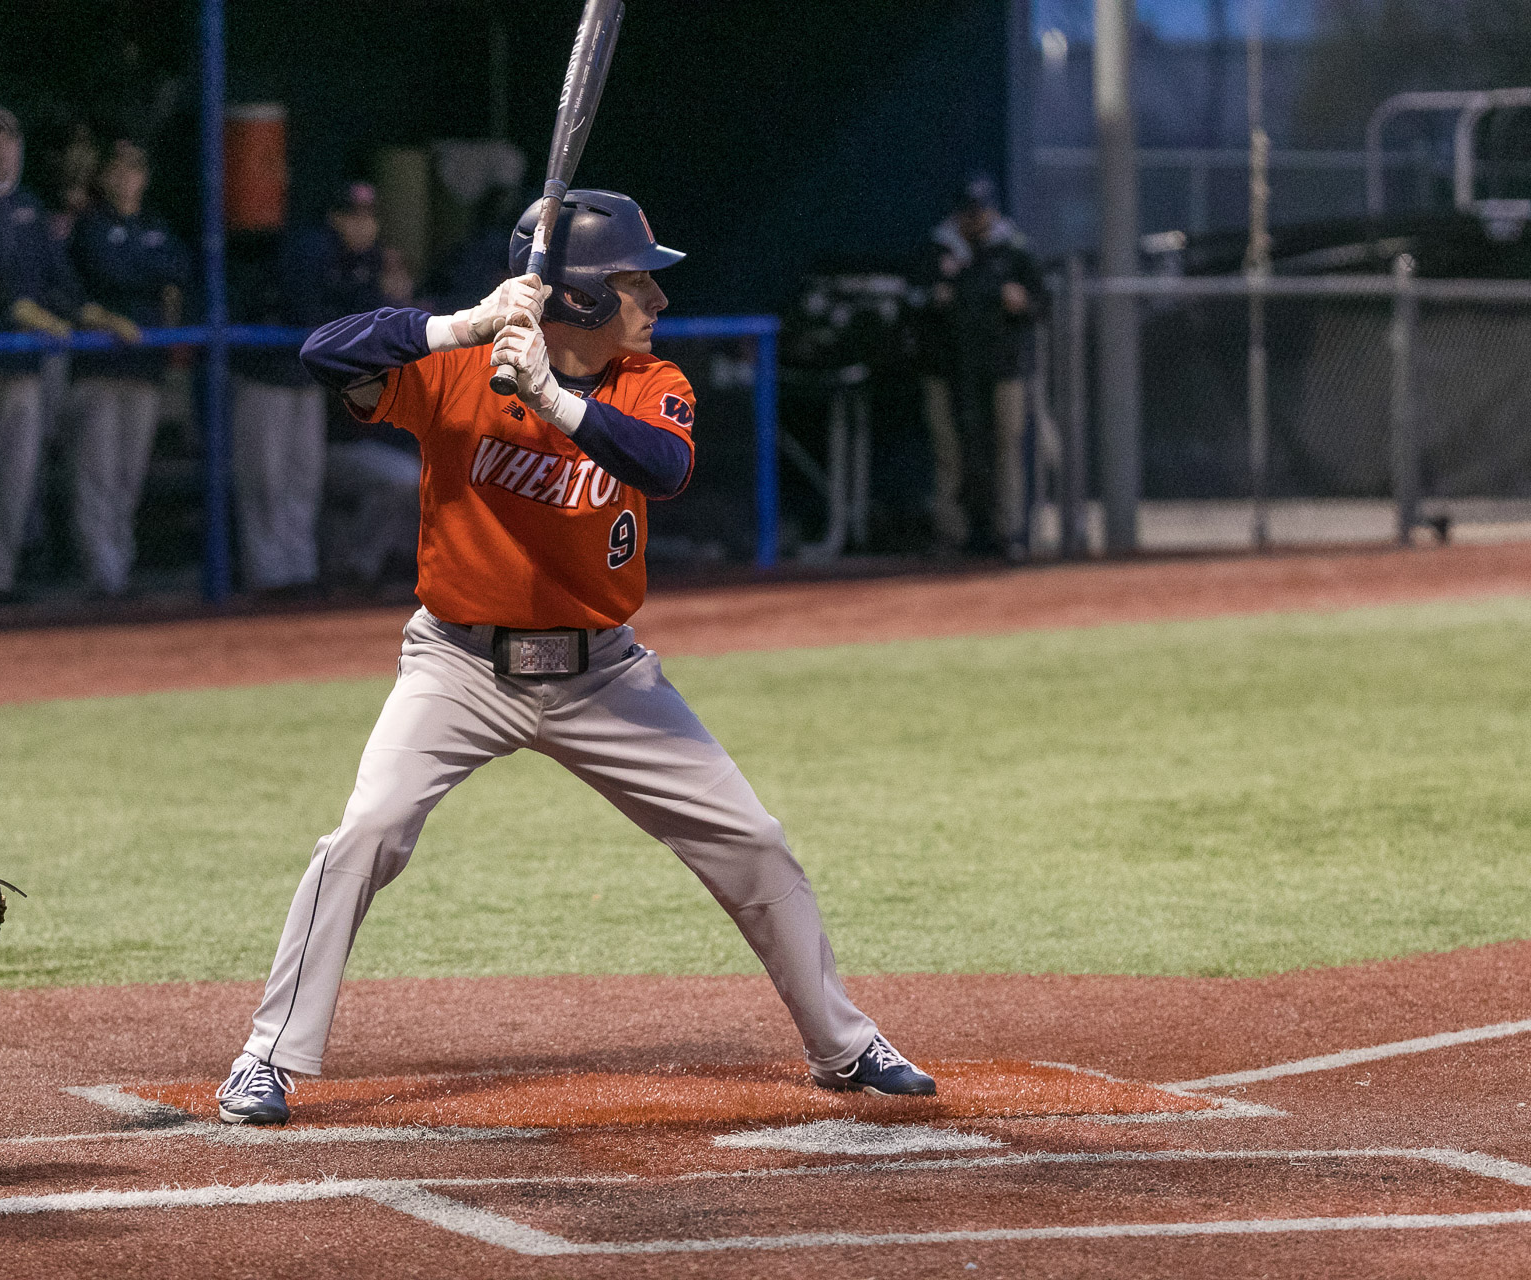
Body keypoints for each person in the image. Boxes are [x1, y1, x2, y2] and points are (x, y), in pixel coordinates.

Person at [215, 190, 937, 1125]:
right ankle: (265, 1055)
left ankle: (842, 1046)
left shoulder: (650, 381)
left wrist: (551, 401)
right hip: (459, 666)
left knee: (750, 840)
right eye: (638, 283)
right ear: (584, 299)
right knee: (367, 833)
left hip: (606, 675)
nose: (659, 302)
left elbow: (665, 467)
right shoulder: (463, 366)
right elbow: (322, 354)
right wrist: (459, 325)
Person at [0, 106, 136, 601]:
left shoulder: (29, 206)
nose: (1, 149)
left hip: (25, 365)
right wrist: (13, 308)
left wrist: (89, 311)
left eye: (8, 139)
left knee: (16, 475)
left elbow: (56, 277)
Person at [231, 181, 420, 594]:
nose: (363, 226)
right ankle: (269, 576)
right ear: (335, 218)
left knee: (302, 478)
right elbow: (313, 312)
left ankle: (297, 572)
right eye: (354, 216)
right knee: (268, 480)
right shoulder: (310, 249)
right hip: (266, 375)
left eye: (369, 217)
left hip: (304, 382)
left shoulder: (366, 259)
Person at [66, 135, 188, 595]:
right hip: (99, 368)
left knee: (128, 477)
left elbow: (180, 268)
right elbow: (104, 270)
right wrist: (149, 274)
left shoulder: (156, 225)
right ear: (105, 176)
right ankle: (103, 572)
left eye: (134, 168)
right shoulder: (91, 225)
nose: (126, 176)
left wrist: (143, 271)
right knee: (96, 474)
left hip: (144, 368)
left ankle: (118, 566)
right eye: (117, 168)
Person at [914, 174, 1046, 558]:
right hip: (946, 367)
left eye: (981, 212)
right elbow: (913, 301)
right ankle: (951, 535)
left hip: (1003, 365)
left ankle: (1008, 534)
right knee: (949, 452)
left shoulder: (1014, 250)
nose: (975, 220)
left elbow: (1041, 304)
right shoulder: (937, 249)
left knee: (1007, 446)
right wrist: (933, 299)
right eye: (968, 214)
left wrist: (1022, 302)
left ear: (992, 210)